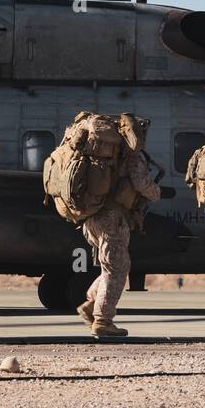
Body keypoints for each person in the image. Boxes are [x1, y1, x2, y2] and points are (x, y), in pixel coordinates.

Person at [77, 113, 161, 338]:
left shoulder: (99, 155)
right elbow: (143, 185)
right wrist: (156, 193)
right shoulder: (130, 155)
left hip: (92, 217)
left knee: (111, 266)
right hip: (112, 218)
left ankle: (91, 305)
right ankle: (103, 321)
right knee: (117, 269)